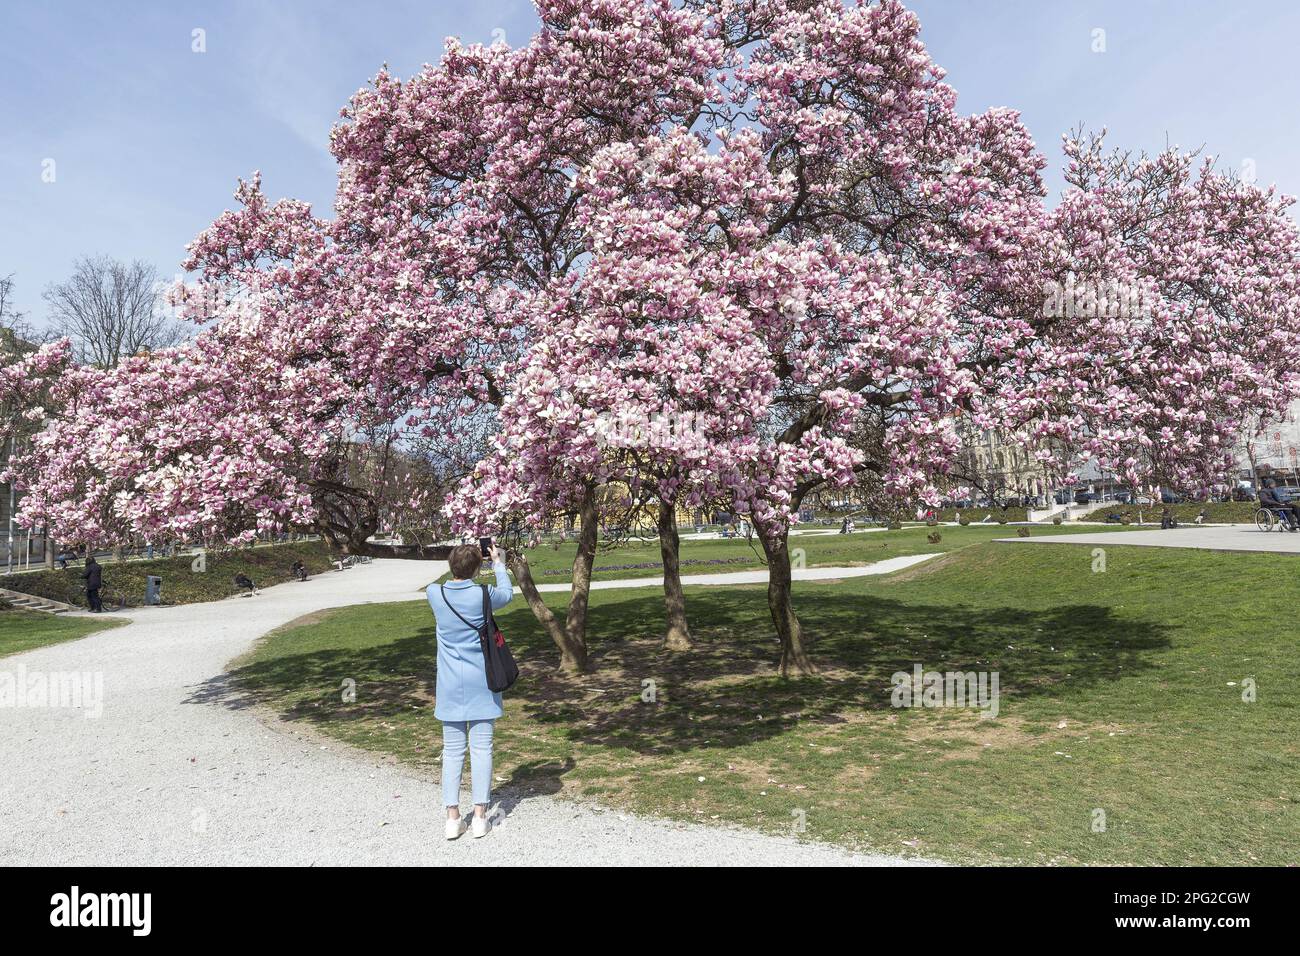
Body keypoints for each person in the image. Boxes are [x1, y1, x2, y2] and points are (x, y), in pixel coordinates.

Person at [426, 543, 513, 840]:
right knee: (481, 749)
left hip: (450, 685)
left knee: (452, 751)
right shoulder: (483, 596)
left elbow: (441, 581)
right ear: (478, 568)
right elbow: (508, 594)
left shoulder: (434, 593)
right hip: (482, 682)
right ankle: (479, 817)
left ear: (451, 565)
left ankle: (452, 818)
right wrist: (497, 562)